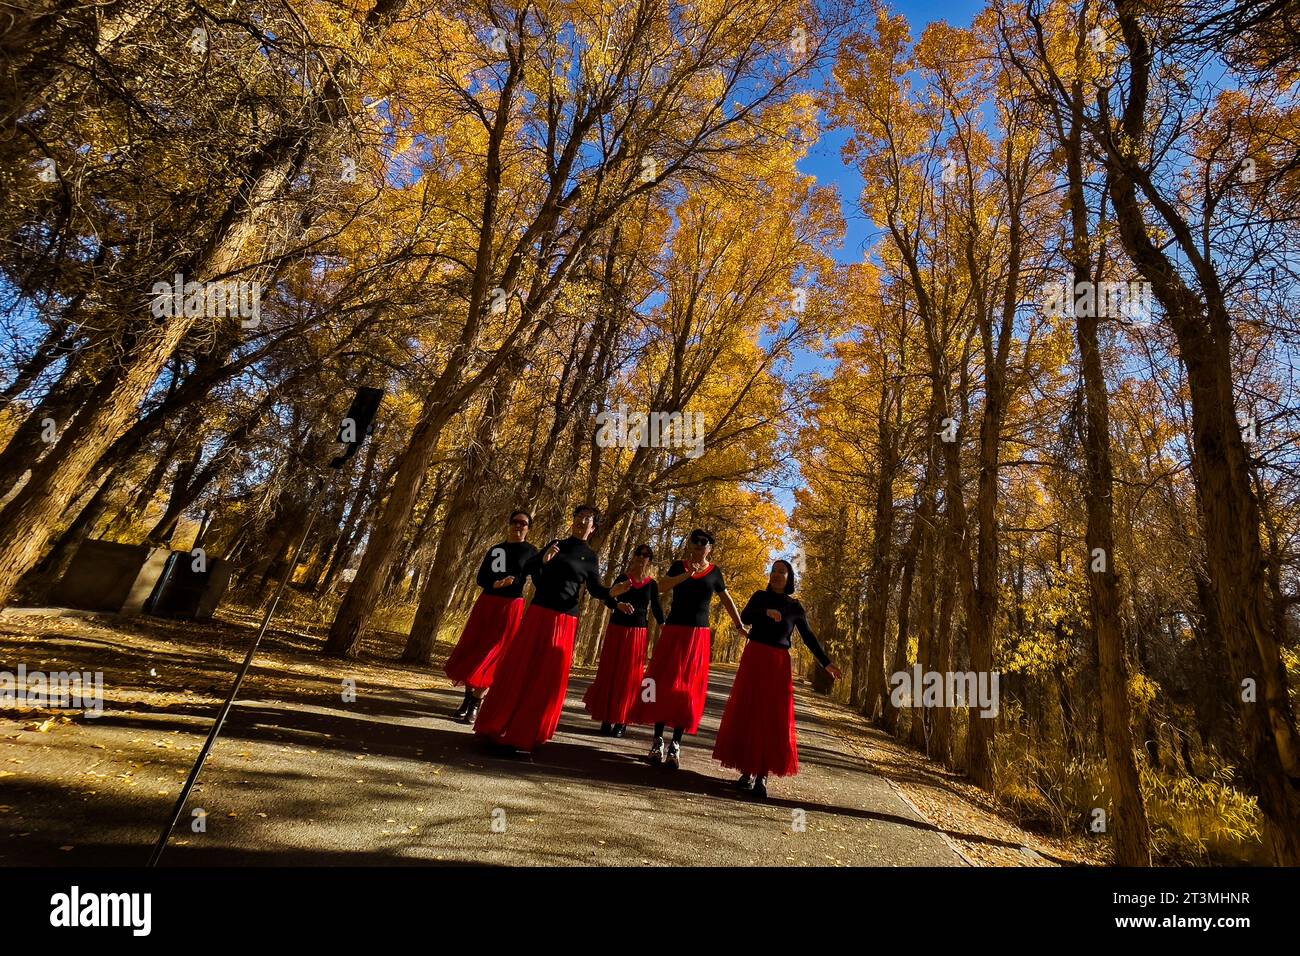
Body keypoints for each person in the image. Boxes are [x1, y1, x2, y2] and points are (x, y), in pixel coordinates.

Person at [473, 504, 628, 755]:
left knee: (546, 677)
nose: (581, 521)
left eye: (587, 519)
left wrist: (612, 593)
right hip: (539, 612)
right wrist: (543, 561)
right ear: (573, 520)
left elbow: (596, 589)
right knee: (521, 668)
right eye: (578, 516)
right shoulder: (556, 544)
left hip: (564, 621)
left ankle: (524, 735)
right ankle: (497, 726)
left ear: (593, 528)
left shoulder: (590, 557)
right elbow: (528, 568)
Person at [712, 559, 841, 800]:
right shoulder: (759, 597)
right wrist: (766, 612)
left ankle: (762, 775)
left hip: (777, 664)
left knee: (771, 716)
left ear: (790, 578)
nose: (776, 574)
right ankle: (746, 770)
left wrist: (826, 663)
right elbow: (746, 616)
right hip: (754, 657)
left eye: (782, 571)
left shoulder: (794, 606)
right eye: (773, 571)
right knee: (749, 711)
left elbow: (808, 637)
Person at [630, 528, 747, 769]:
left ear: (709, 548)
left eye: (704, 543)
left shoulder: (715, 572)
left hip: (697, 636)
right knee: (662, 684)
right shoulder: (678, 566)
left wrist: (739, 625)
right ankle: (657, 741)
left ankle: (676, 744)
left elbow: (726, 599)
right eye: (695, 542)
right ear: (690, 545)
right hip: (674, 631)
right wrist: (686, 575)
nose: (698, 545)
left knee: (687, 689)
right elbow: (660, 587)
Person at [443, 510, 536, 724]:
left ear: (528, 528)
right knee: (474, 649)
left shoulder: (531, 552)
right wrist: (496, 583)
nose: (518, 525)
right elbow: (482, 577)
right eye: (514, 522)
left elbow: (538, 575)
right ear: (509, 524)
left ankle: (476, 704)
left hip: (511, 606)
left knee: (494, 653)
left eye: (523, 523)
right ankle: (466, 701)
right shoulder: (497, 550)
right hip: (487, 603)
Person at [583, 544, 664, 737]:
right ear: (634, 557)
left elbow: (656, 608)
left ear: (650, 560)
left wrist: (664, 626)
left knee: (629, 677)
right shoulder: (622, 578)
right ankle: (606, 717)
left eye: (646, 555)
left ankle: (622, 720)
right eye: (639, 554)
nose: (642, 557)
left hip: (637, 633)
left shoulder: (652, 584)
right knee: (610, 671)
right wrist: (618, 604)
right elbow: (608, 598)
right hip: (617, 629)